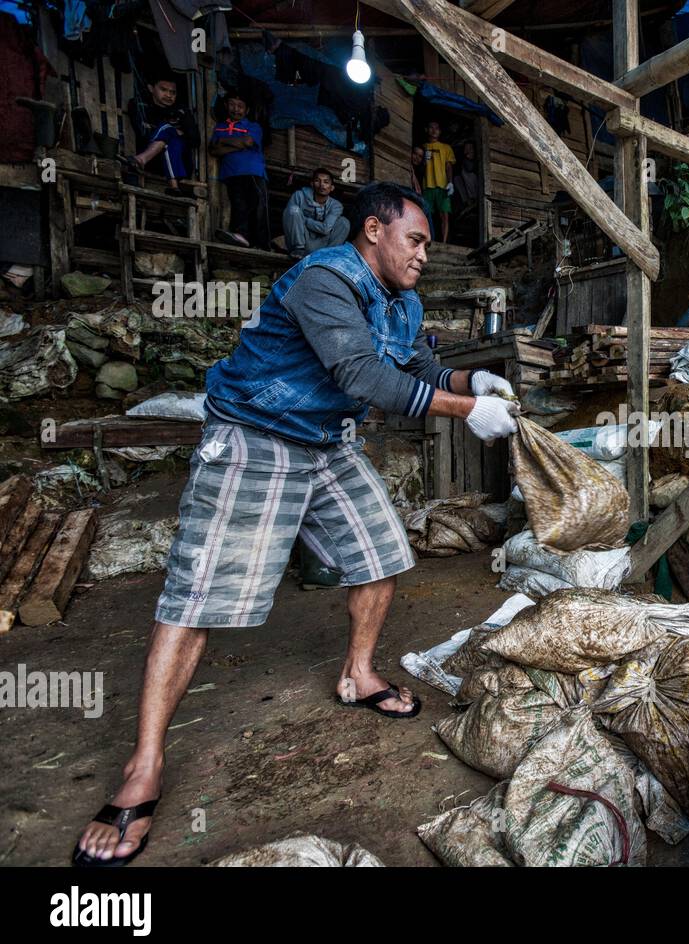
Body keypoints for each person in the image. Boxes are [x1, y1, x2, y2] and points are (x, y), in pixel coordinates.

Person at [72, 182, 520, 867]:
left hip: (325, 440)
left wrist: (470, 385)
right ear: (373, 230)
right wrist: (462, 414)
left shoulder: (402, 300)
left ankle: (358, 676)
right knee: (196, 600)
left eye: (428, 244)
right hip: (255, 435)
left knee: (380, 553)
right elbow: (361, 374)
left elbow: (419, 365)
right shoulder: (321, 280)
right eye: (417, 239)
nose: (426, 254)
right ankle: (144, 767)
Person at [209, 92, 269, 249]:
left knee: (258, 206)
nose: (236, 109)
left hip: (253, 171)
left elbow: (248, 142)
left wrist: (223, 142)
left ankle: (262, 245)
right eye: (232, 105)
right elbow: (215, 151)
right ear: (226, 106)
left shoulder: (253, 126)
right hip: (231, 173)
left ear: (247, 110)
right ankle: (242, 236)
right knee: (239, 204)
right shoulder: (220, 127)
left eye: (240, 106)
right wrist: (238, 144)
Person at [123, 75, 198, 194]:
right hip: (154, 162)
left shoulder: (182, 111)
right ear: (151, 88)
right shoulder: (140, 105)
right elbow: (142, 134)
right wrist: (174, 132)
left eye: (173, 92)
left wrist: (170, 133)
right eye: (163, 90)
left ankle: (141, 159)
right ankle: (174, 187)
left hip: (180, 165)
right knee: (168, 131)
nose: (169, 95)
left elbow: (194, 139)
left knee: (169, 132)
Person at [283, 167, 348, 257]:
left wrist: (303, 220)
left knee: (344, 222)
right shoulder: (299, 196)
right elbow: (289, 220)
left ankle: (328, 255)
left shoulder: (336, 205)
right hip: (302, 242)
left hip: (322, 245)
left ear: (332, 188)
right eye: (318, 181)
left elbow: (325, 229)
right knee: (293, 210)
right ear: (312, 184)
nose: (322, 185)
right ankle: (298, 249)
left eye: (326, 182)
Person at [419, 120, 455, 243]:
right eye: (431, 127)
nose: (434, 130)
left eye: (437, 128)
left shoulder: (446, 148)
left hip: (443, 186)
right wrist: (424, 161)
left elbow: (449, 166)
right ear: (426, 130)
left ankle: (444, 243)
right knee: (426, 214)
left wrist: (450, 183)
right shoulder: (423, 147)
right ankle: (427, 241)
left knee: (444, 216)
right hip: (427, 185)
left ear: (440, 132)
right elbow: (419, 167)